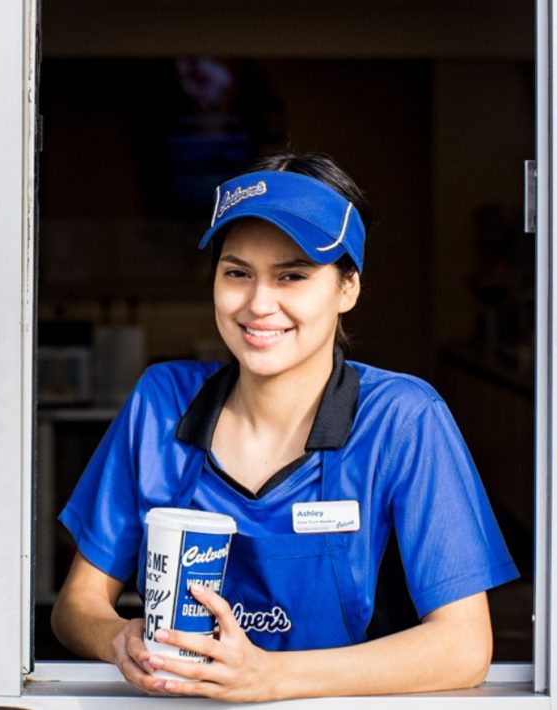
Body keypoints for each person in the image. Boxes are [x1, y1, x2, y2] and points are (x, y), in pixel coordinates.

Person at [50, 153, 519, 702]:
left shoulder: (402, 419)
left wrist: (268, 679)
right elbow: (75, 607)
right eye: (236, 273)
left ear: (348, 288)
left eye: (292, 275)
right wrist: (119, 639)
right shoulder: (163, 402)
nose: (258, 304)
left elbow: (463, 647)